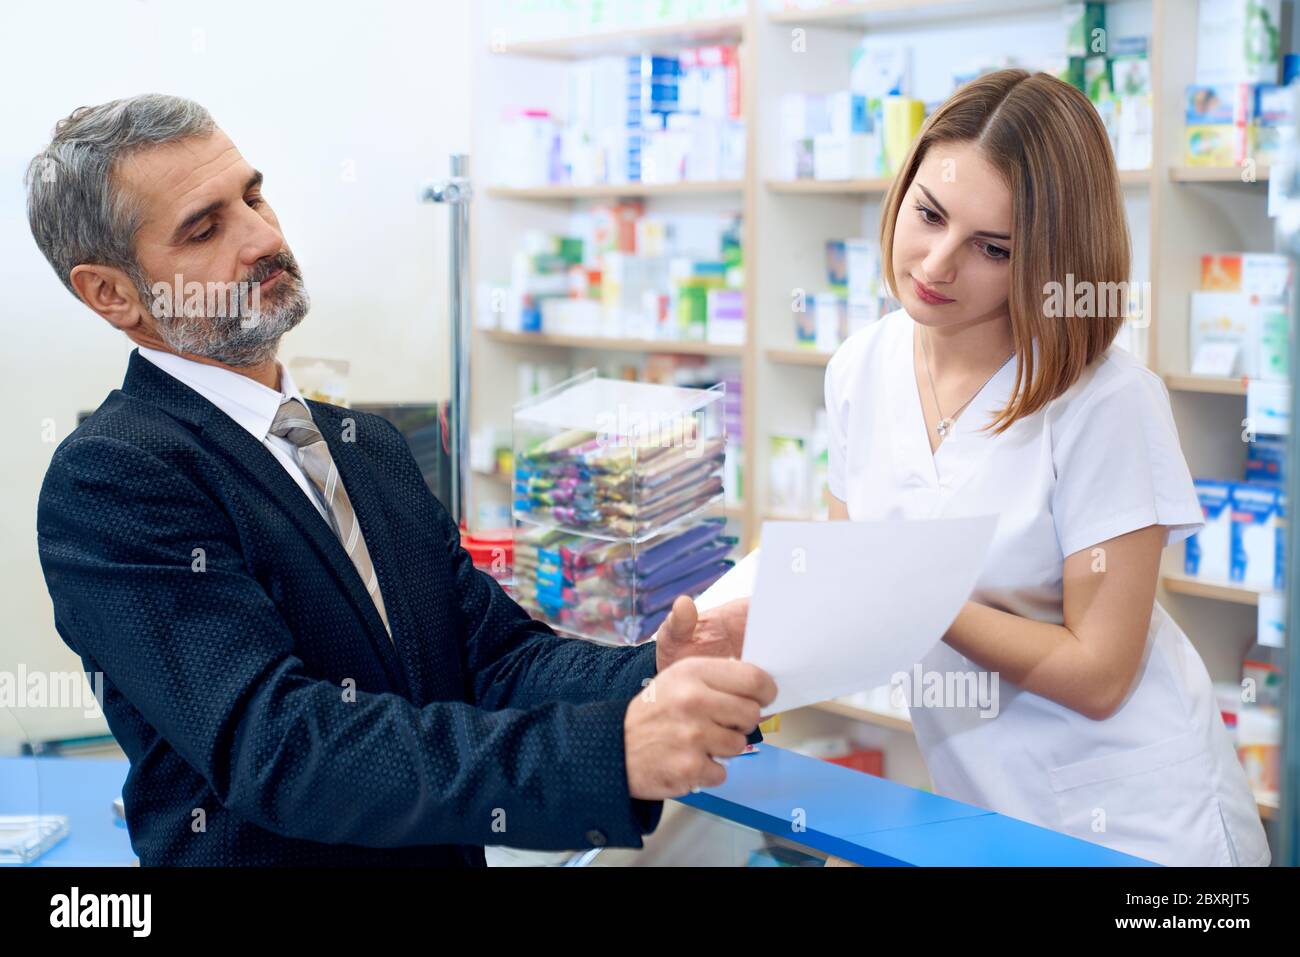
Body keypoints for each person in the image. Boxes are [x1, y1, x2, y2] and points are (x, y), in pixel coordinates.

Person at [27, 94, 773, 866]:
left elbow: (494, 660)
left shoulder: (365, 447)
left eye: (253, 196)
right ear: (111, 293)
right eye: (204, 228)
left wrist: (655, 671)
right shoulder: (114, 479)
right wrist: (606, 752)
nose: (264, 238)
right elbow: (284, 747)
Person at [823, 69, 1269, 866]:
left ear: (1051, 261)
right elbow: (847, 581)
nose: (937, 263)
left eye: (992, 248)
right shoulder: (861, 365)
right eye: (929, 214)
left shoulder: (1106, 400)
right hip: (982, 805)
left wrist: (915, 597)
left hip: (1140, 824)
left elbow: (1099, 673)